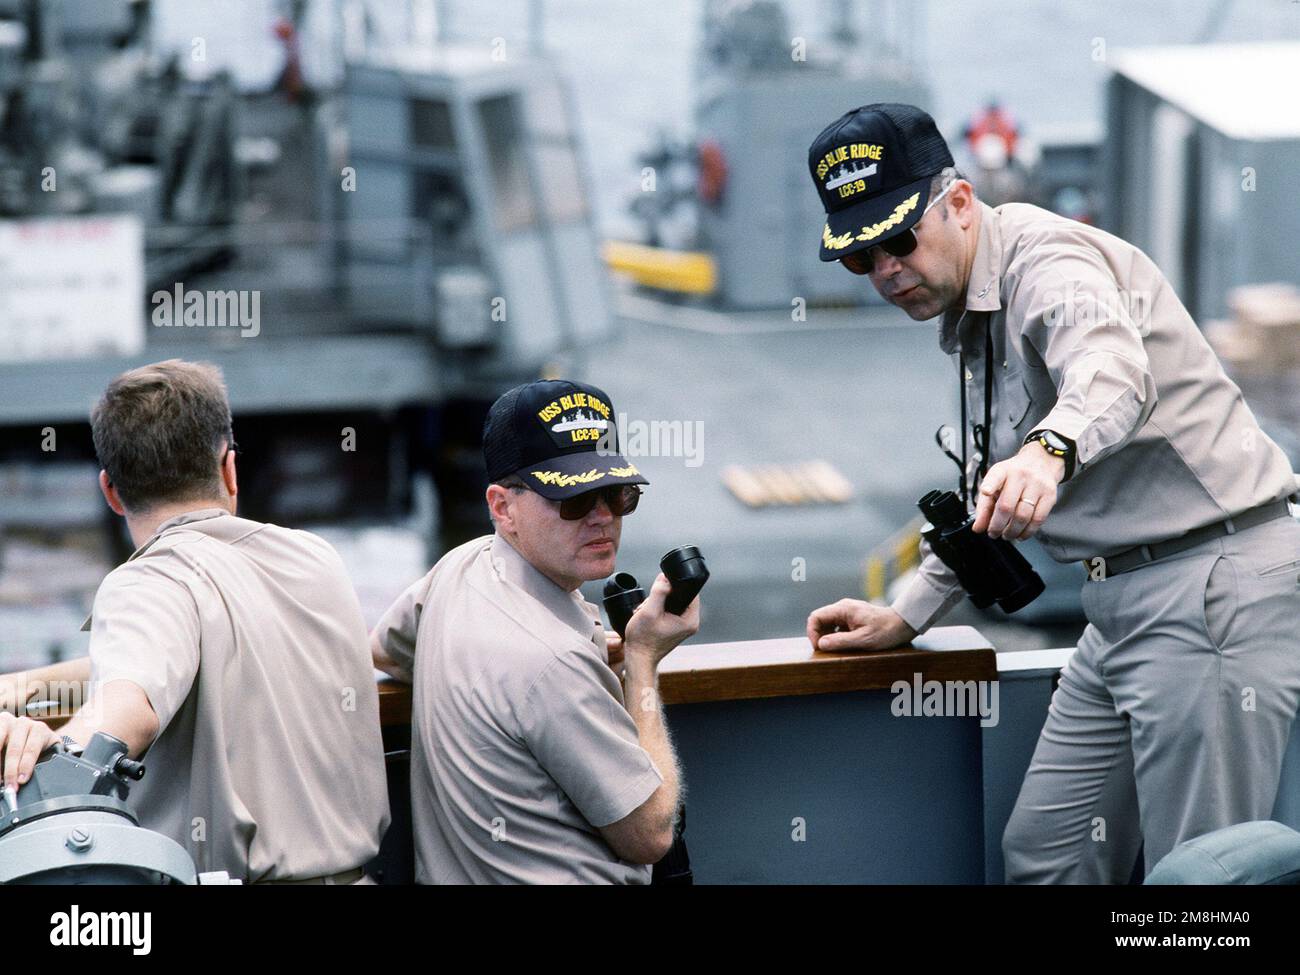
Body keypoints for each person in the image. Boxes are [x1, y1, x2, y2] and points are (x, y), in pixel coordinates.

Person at [803, 103, 1300, 882]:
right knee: (1047, 853)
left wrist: (1048, 452)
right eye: (860, 257)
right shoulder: (976, 312)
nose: (885, 269)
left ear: (961, 203)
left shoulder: (1047, 263)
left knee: (1201, 883)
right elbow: (986, 500)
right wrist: (907, 611)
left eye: (899, 238)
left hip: (1209, 586)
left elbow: (1110, 368)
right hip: (1121, 604)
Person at [0, 359, 389, 883]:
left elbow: (128, 711)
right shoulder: (314, 560)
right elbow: (178, 657)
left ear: (111, 491)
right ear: (229, 468)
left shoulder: (144, 585)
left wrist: (52, 753)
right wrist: (21, 689)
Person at [371, 378, 696, 884]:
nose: (603, 518)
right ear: (502, 507)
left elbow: (387, 652)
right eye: (574, 500)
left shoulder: (459, 569)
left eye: (617, 494)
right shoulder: (553, 664)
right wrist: (642, 660)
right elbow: (651, 833)